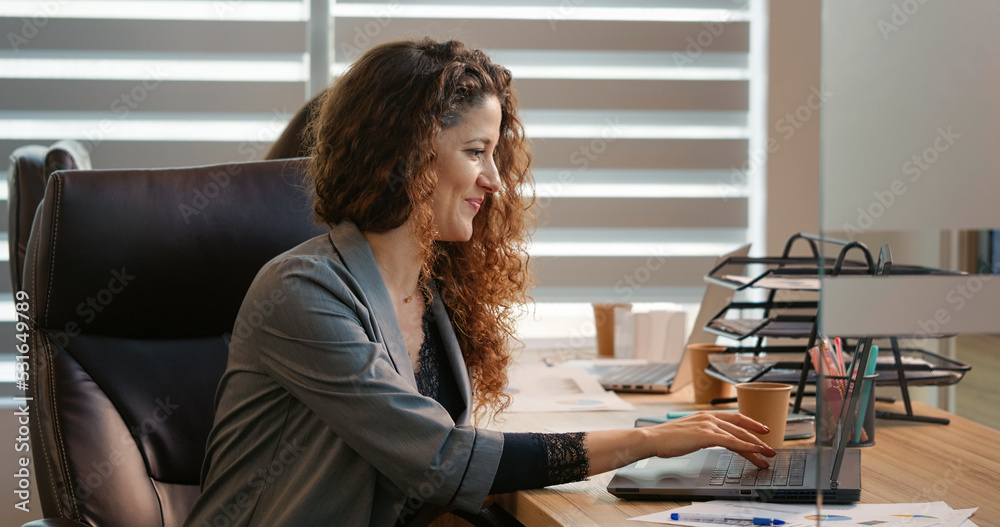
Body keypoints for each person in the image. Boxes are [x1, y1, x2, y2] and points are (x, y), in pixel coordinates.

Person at [184, 38, 776, 527]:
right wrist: (644, 442)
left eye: (495, 154)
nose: (494, 179)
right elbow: (443, 458)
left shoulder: (431, 295)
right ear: (408, 155)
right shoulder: (303, 291)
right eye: (476, 151)